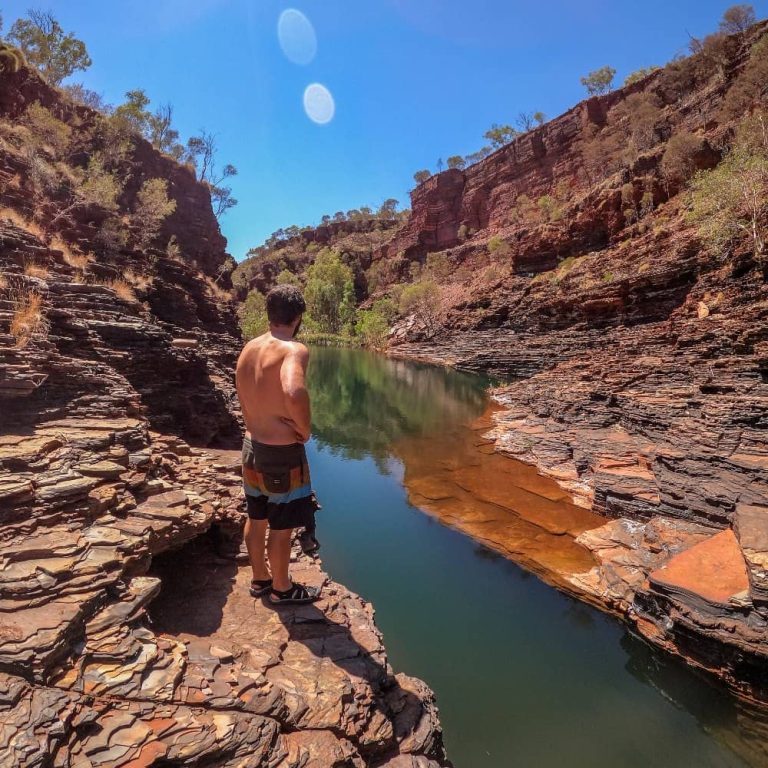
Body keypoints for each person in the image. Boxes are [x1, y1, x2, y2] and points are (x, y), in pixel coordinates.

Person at [235, 284, 321, 605]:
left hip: (251, 445)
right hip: (281, 454)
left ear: (269, 313)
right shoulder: (292, 349)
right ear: (297, 318)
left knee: (256, 518)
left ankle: (260, 579)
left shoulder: (249, 348)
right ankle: (282, 589)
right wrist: (304, 429)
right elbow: (293, 391)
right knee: (282, 529)